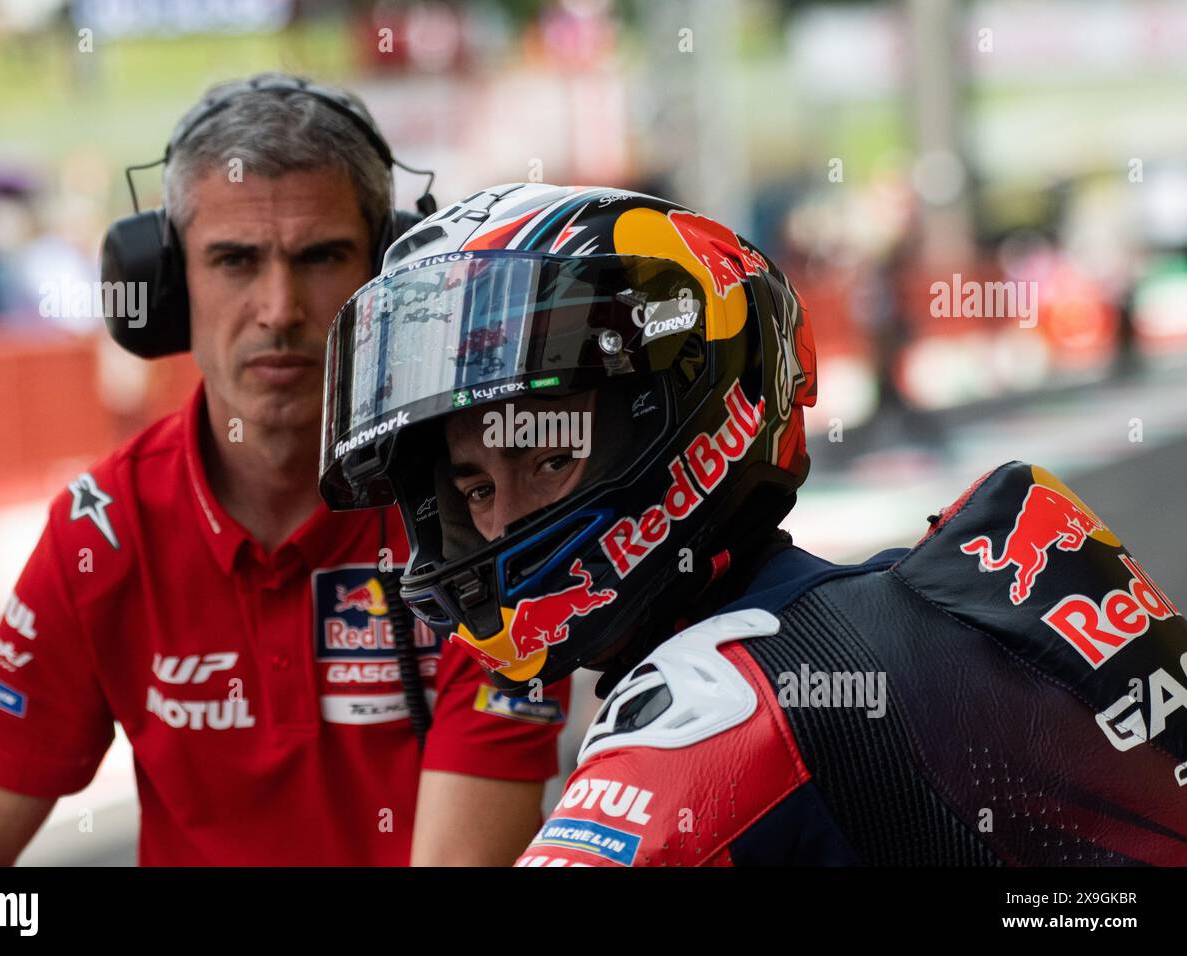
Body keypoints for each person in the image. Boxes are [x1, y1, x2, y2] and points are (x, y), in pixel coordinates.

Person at [318, 182, 1187, 866]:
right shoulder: (948, 588)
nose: (502, 519)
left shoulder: (711, 713)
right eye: (472, 489)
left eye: (548, 461)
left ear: (687, 417)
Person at [0, 80, 568, 867]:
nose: (278, 307)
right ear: (166, 288)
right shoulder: (102, 529)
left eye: (320, 256)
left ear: (393, 281)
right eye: (234, 260)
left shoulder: (490, 513)